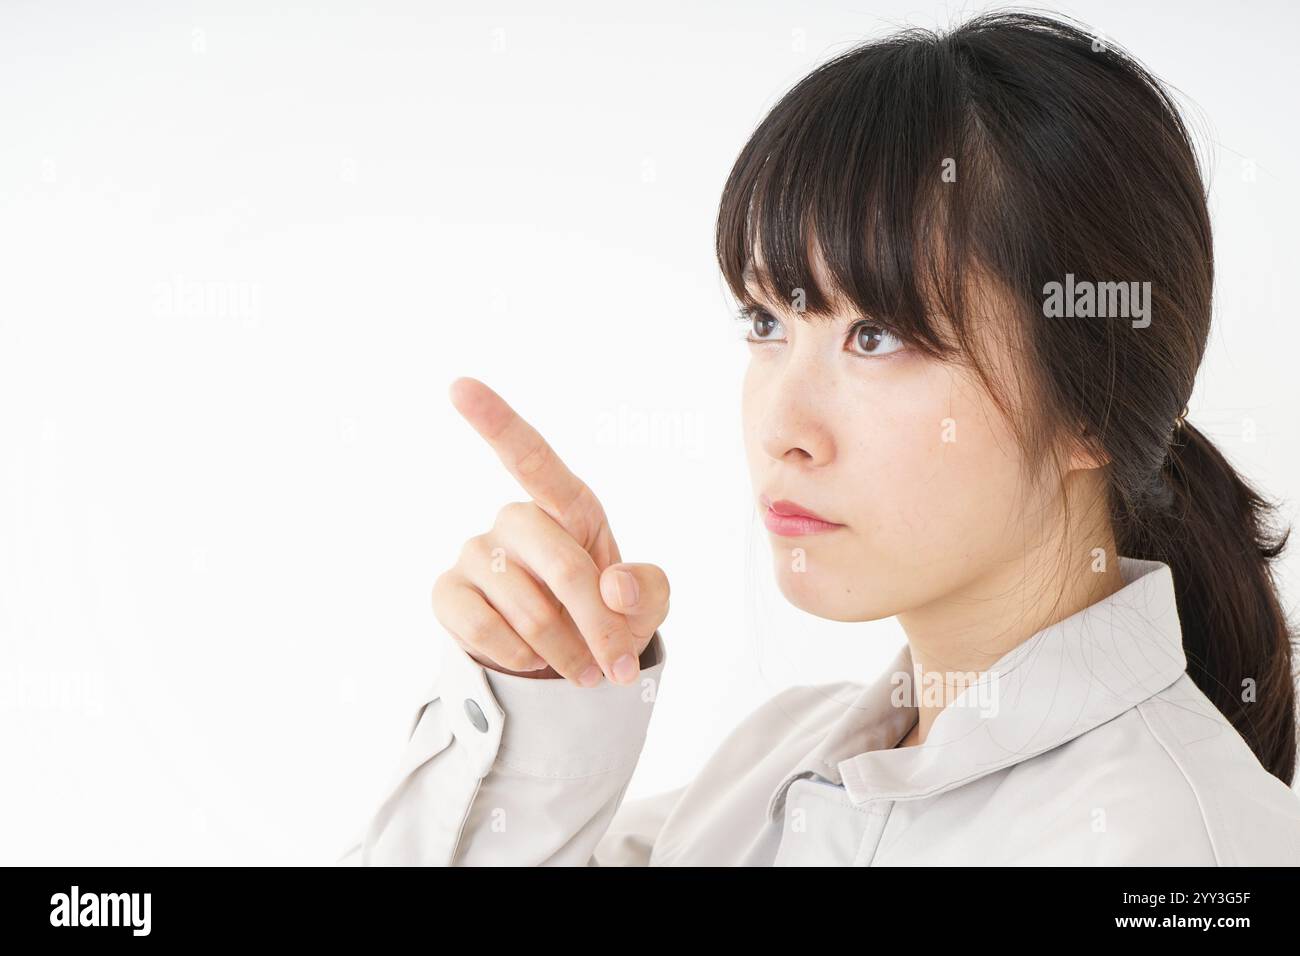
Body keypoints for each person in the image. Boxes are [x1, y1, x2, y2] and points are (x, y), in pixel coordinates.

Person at [340, 11, 1300, 865]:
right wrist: (540, 694)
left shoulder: (1183, 847)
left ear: (1092, 401)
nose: (781, 429)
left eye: (874, 336)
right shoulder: (771, 770)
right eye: (766, 323)